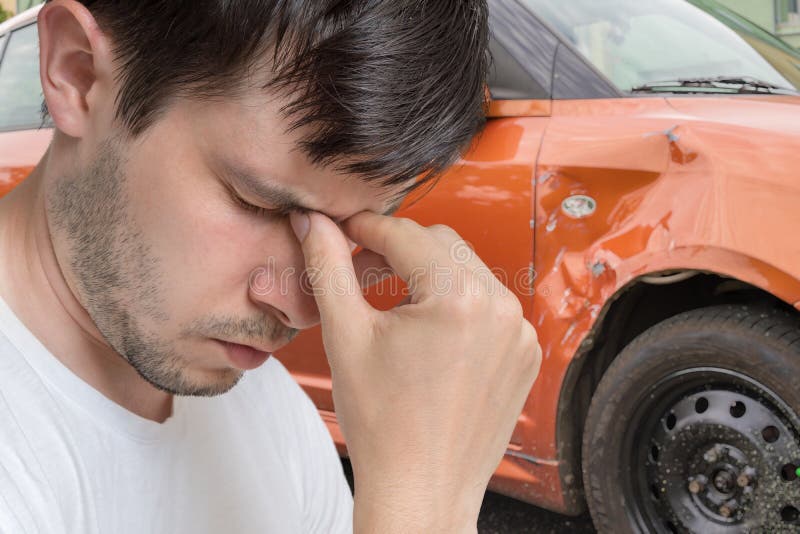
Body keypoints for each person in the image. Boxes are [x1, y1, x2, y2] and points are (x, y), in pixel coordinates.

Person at [0, 0, 542, 532]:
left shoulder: (268, 407)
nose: (304, 307)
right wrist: (426, 506)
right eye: (257, 204)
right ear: (77, 71)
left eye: (350, 231)